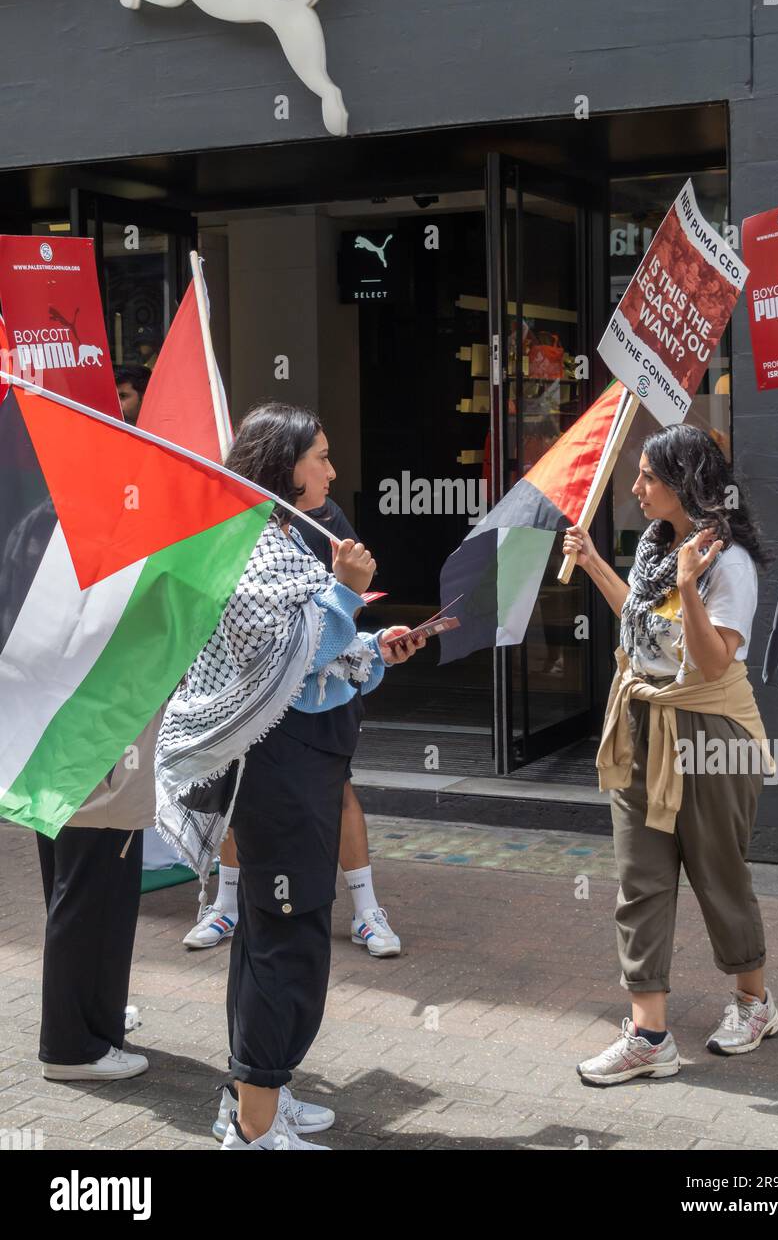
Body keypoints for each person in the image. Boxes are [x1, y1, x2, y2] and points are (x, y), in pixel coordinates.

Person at [154, 404, 423, 1151]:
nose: (332, 473)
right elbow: (284, 653)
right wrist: (343, 592)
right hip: (279, 773)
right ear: (282, 464)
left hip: (306, 765)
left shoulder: (283, 537)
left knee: (274, 936)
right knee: (286, 939)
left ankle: (259, 1095)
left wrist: (374, 646)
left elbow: (320, 655)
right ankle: (254, 1129)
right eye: (322, 457)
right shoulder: (243, 544)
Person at [566, 424, 778, 1087]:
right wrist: (596, 561)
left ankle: (754, 1001)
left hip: (713, 734)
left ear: (685, 483)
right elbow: (639, 624)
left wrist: (690, 587)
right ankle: (649, 1035)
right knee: (641, 880)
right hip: (642, 725)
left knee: (718, 873)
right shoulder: (657, 549)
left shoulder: (727, 562)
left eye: (648, 478)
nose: (635, 489)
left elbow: (711, 660)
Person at [184, 496, 401, 960]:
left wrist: (368, 633)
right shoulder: (242, 530)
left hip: (327, 690)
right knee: (239, 792)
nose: (331, 472)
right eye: (319, 458)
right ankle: (227, 906)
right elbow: (256, 628)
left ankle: (367, 910)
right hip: (260, 699)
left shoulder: (323, 518)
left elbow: (339, 615)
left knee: (338, 792)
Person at [38, 712, 162, 1082]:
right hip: (105, 736)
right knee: (91, 898)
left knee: (72, 888)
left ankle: (90, 1019)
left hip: (66, 735)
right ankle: (74, 1046)